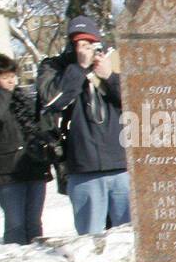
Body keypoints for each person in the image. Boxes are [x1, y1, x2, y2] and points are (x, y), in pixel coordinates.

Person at [36, 15, 127, 236]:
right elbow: (51, 100)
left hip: (121, 165)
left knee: (128, 239)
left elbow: (138, 102)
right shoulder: (57, 67)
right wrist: (79, 68)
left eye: (88, 43)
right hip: (82, 166)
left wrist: (109, 77)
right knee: (90, 239)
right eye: (77, 43)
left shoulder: (114, 61)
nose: (83, 48)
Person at [0, 54, 50, 245]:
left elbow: (39, 125)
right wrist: (1, 91)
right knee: (15, 224)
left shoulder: (22, 98)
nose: (11, 80)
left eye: (12, 75)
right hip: (6, 173)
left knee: (34, 223)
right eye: (4, 76)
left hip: (33, 167)